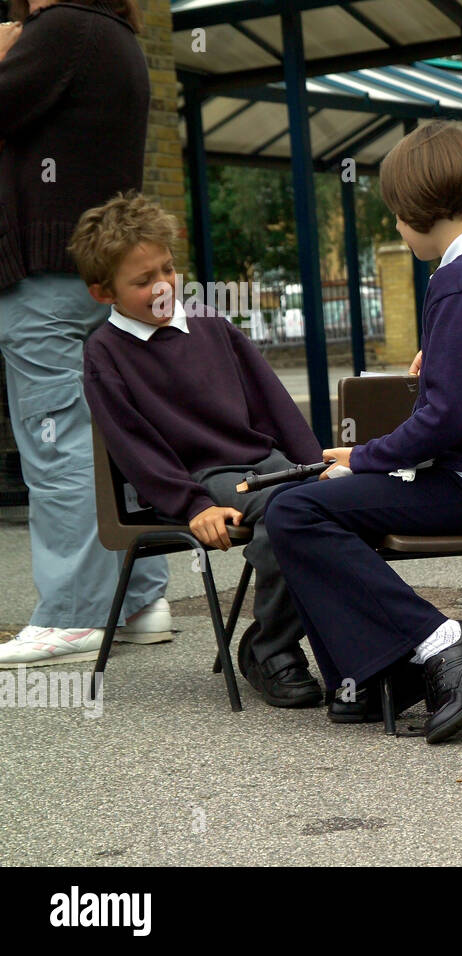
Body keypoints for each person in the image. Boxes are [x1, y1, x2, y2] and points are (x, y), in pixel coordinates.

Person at [265, 121, 462, 739]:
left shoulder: (456, 281)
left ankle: (442, 641)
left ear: (422, 212)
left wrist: (363, 456)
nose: (398, 232)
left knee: (295, 513)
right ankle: (374, 675)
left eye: (397, 219)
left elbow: (444, 420)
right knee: (300, 506)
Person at [69, 194, 325, 706]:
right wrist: (194, 505)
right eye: (143, 282)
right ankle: (269, 649)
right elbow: (135, 447)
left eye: (168, 269)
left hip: (267, 464)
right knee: (292, 518)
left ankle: (350, 648)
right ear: (103, 292)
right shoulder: (105, 354)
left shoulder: (211, 323)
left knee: (331, 507)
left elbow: (273, 402)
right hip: (204, 477)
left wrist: (313, 465)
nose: (162, 286)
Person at [0, 0, 170, 667]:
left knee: (57, 437)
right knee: (117, 435)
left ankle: (73, 615)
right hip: (96, 272)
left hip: (46, 277)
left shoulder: (61, 30)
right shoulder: (118, 35)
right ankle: (138, 598)